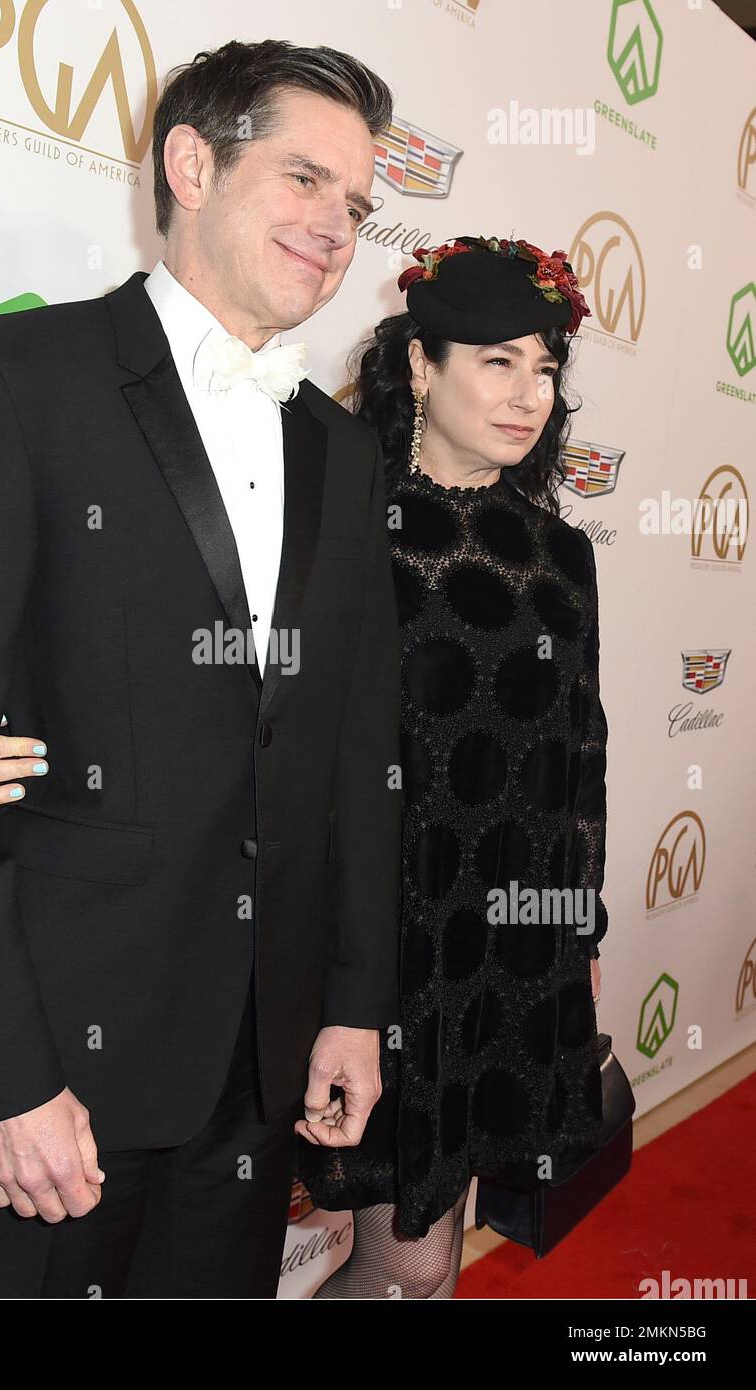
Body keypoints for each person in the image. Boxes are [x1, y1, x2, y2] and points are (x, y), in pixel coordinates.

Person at [0, 40, 403, 1299]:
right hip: (60, 1065)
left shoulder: (340, 450)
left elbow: (352, 749)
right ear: (191, 163)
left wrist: (349, 1004)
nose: (336, 228)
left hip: (259, 1070)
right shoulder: (5, 381)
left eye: (357, 206)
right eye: (305, 181)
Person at [294, 234, 609, 1297]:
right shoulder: (352, 528)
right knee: (408, 1265)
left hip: (513, 950)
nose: (529, 395)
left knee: (435, 1268)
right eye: (496, 360)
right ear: (420, 365)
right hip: (390, 944)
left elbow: (582, 753)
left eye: (545, 367)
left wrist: (579, 931)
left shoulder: (560, 554)